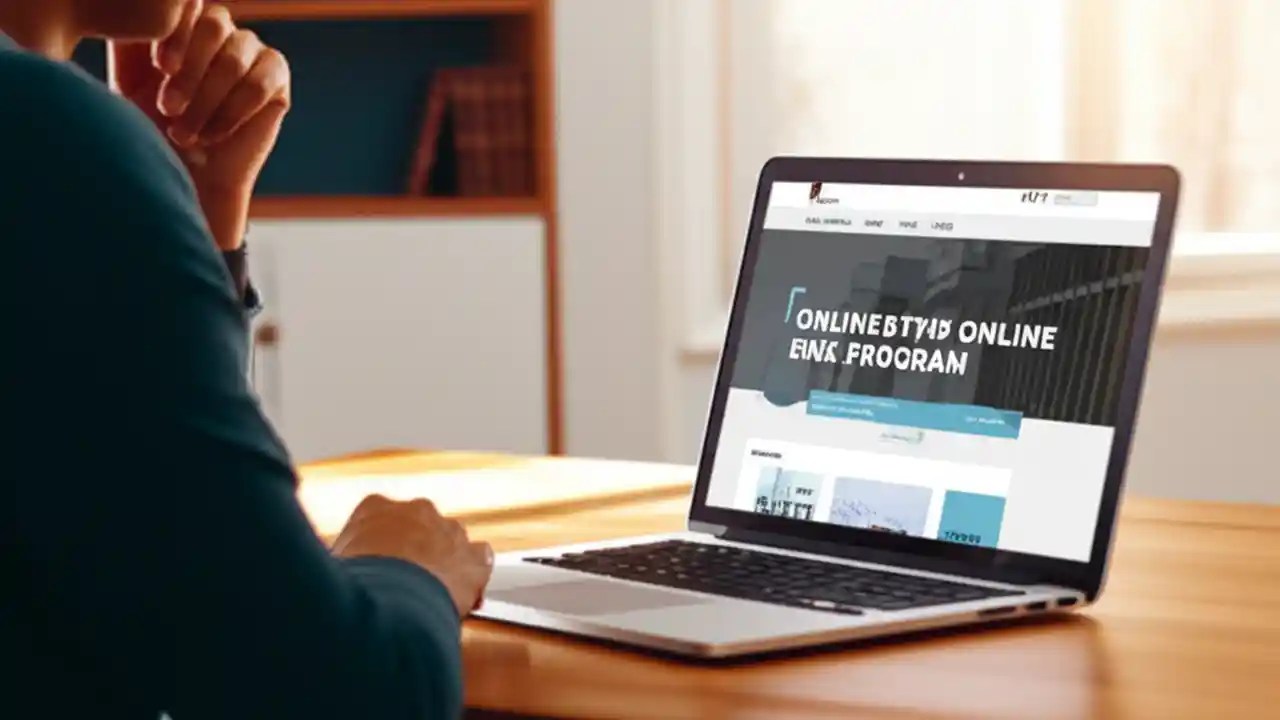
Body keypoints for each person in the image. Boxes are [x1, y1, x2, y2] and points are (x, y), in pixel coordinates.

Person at [2, 1, 493, 718]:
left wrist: (193, 221)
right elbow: (341, 696)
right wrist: (408, 567)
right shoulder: (43, 137)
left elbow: (164, 572)